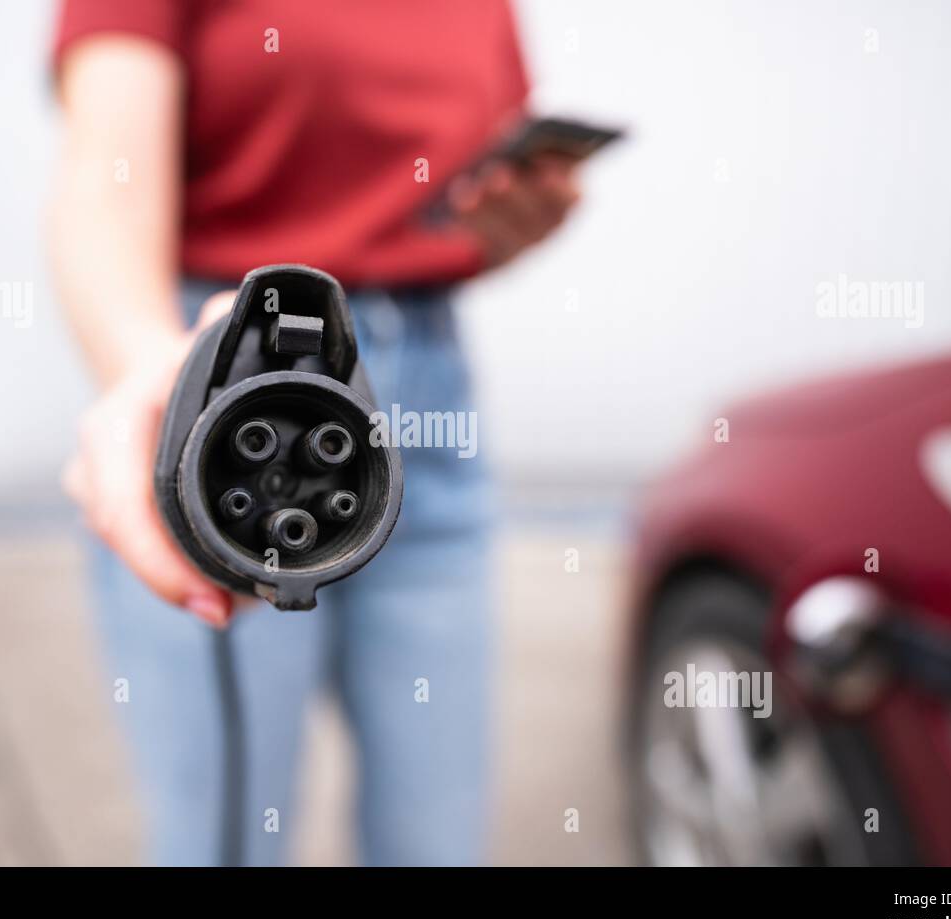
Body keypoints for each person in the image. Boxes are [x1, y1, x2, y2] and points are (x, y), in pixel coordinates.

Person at [49, 0, 581, 865]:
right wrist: (153, 371)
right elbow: (102, 180)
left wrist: (515, 223)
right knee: (222, 842)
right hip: (224, 380)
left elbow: (450, 200)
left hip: (425, 388)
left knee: (437, 842)